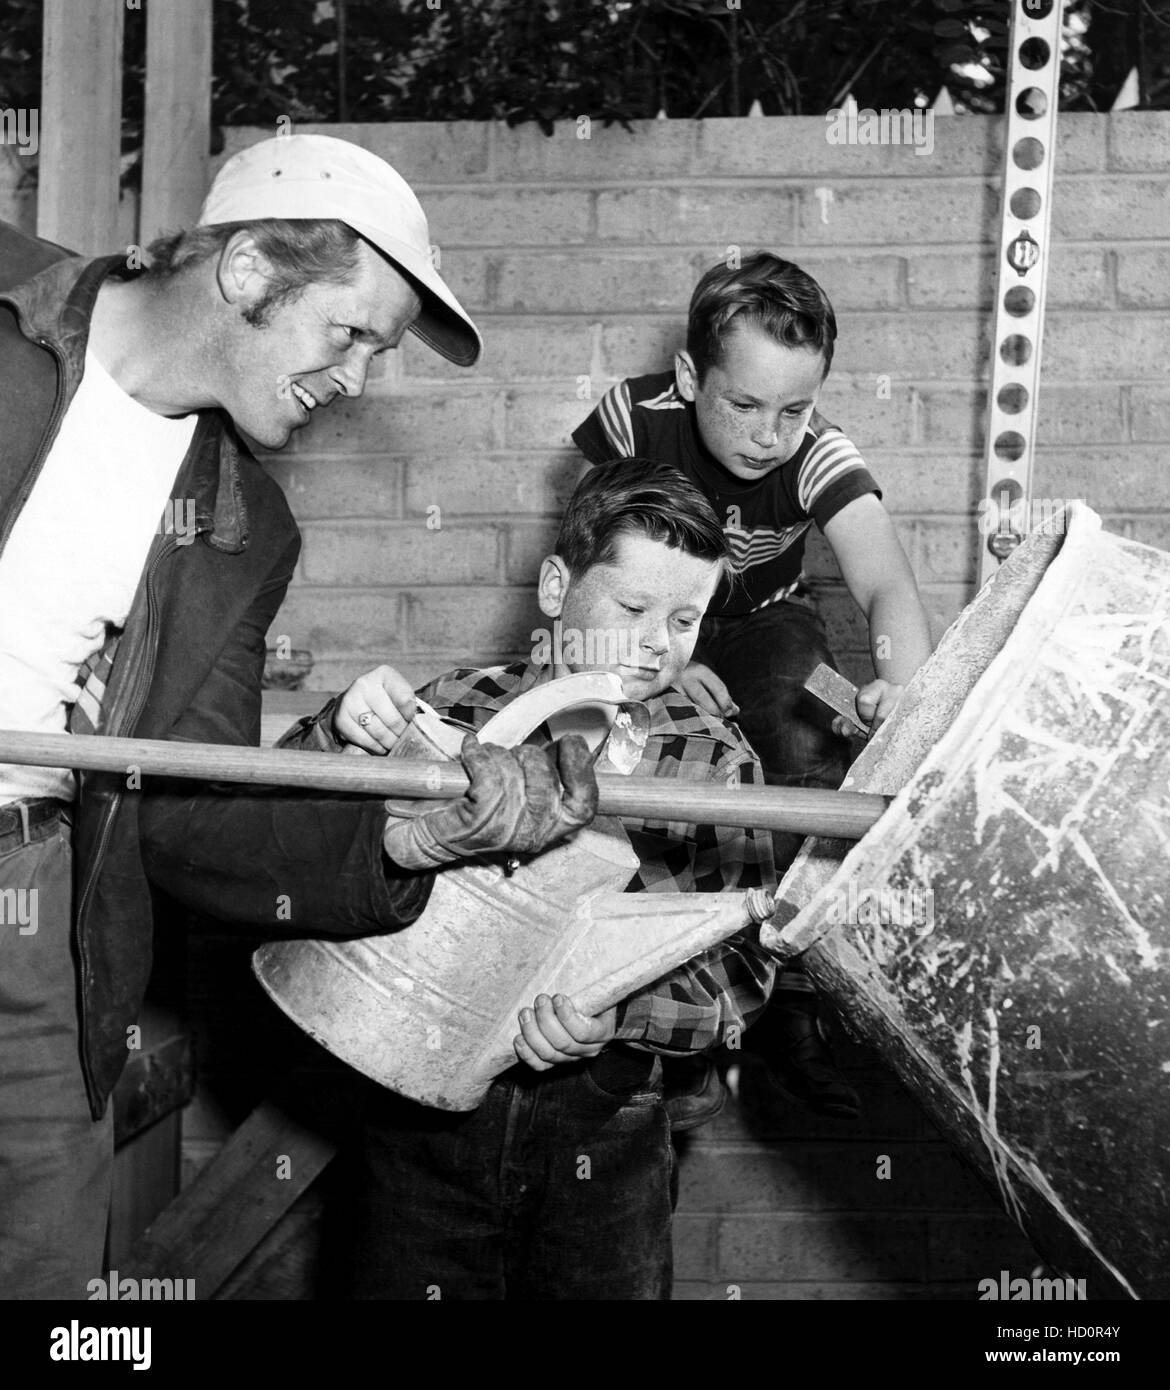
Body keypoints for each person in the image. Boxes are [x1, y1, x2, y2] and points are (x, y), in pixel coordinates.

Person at [0, 134, 596, 1300]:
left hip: (27, 905)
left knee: (48, 1273)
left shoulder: (239, 527)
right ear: (249, 269)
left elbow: (190, 809)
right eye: (352, 332)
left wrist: (408, 837)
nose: (359, 378)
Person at [285, 460, 778, 1299]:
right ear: (557, 587)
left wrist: (622, 1012)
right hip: (422, 1115)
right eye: (632, 609)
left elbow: (744, 971)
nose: (660, 641)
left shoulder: (714, 761)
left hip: (611, 1122)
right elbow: (275, 826)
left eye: (687, 618)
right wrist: (337, 729)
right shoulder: (458, 710)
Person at [572, 252, 934, 1124]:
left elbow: (884, 583)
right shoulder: (632, 413)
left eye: (794, 410)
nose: (768, 434)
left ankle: (796, 1007)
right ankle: (652, 998)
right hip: (653, 611)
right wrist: (653, 651)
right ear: (691, 374)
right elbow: (590, 562)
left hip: (765, 623)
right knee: (644, 771)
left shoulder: (816, 454)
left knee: (805, 740)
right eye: (742, 405)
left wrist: (905, 688)